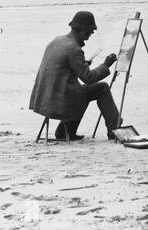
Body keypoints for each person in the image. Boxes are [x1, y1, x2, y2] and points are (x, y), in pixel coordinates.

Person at [28, 10, 123, 141]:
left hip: (45, 99)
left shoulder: (57, 40)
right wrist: (106, 65)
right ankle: (114, 129)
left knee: (80, 91)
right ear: (83, 31)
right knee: (102, 88)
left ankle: (66, 131)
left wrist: (84, 64)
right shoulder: (74, 49)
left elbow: (63, 68)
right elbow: (89, 78)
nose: (92, 34)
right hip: (62, 102)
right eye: (91, 31)